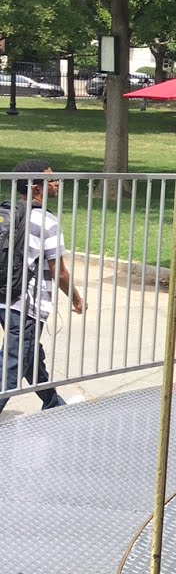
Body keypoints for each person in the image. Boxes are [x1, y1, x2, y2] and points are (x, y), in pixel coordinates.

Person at [0, 160, 83, 413]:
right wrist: (76, 298)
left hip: (4, 298)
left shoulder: (8, 213)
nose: (57, 183)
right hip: (26, 304)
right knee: (11, 368)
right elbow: (59, 272)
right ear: (36, 188)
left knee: (31, 356)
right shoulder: (48, 222)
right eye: (52, 180)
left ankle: (52, 403)